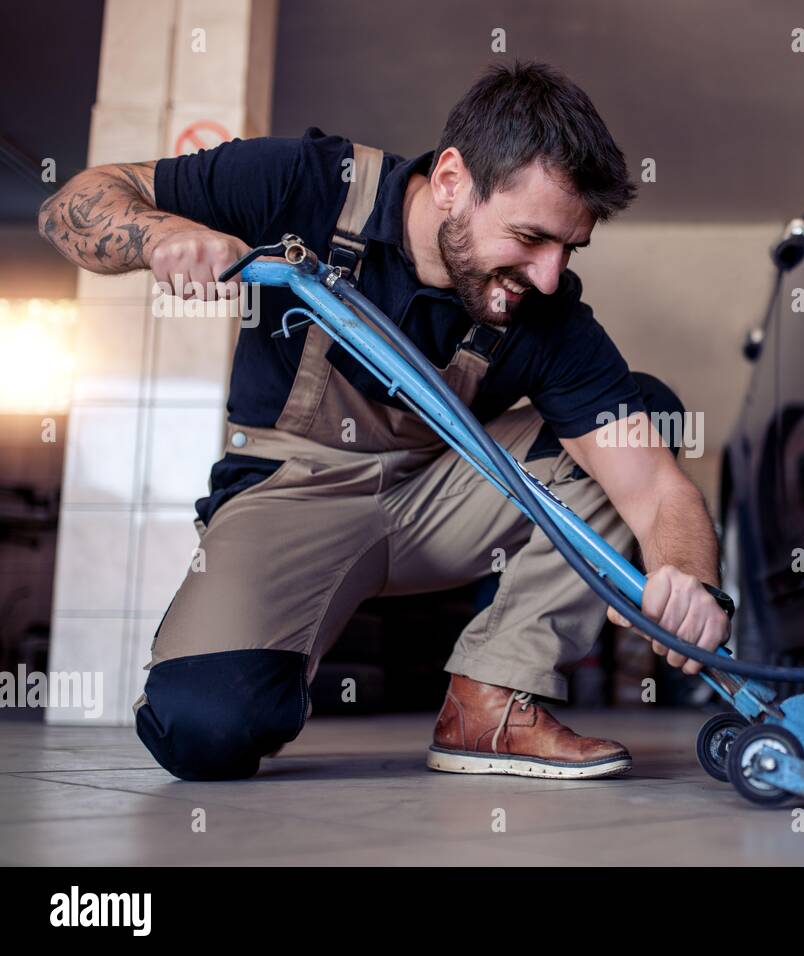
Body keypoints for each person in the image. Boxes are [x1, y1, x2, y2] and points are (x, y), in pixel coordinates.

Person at [38, 61, 730, 781]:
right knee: (204, 728)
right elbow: (76, 202)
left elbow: (654, 489)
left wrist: (691, 577)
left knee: (645, 410)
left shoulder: (549, 316)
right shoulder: (304, 182)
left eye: (568, 248)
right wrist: (158, 234)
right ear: (454, 178)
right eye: (529, 237)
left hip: (444, 498)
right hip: (292, 492)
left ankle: (488, 699)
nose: (550, 275)